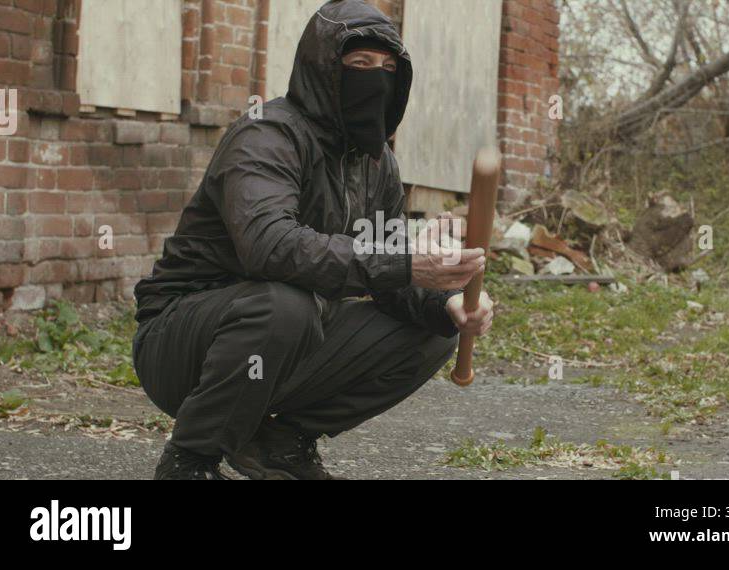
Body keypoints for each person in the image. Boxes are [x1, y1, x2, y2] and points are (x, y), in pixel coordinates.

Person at [132, 0, 494, 480]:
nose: (375, 80)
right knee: (285, 306)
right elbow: (270, 246)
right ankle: (189, 461)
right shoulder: (267, 136)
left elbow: (390, 273)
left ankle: (281, 443)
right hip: (183, 341)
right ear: (323, 69)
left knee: (430, 331)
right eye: (359, 65)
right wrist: (407, 262)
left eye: (388, 69)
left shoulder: (377, 163)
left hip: (291, 341)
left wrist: (444, 300)